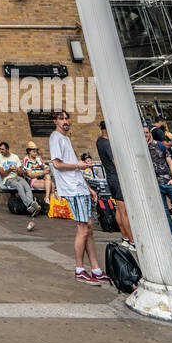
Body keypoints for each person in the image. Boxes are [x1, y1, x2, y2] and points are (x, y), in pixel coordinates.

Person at [49, 110, 110, 284]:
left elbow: (75, 168)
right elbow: (57, 164)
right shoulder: (56, 138)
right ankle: (79, 269)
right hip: (72, 189)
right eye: (61, 119)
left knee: (88, 227)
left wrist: (88, 187)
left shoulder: (65, 139)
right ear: (55, 121)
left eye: (67, 118)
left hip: (79, 187)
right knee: (83, 228)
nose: (65, 121)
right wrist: (79, 165)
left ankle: (96, 269)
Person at [95, 121, 135, 248]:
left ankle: (125, 238)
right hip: (118, 178)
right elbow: (117, 163)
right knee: (124, 211)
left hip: (110, 178)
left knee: (118, 208)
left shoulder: (99, 141)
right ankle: (133, 241)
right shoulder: (108, 144)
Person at [144, 126, 172, 248]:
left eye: (147, 132)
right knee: (165, 216)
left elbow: (170, 163)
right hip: (155, 186)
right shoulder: (140, 149)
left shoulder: (159, 145)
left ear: (150, 133)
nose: (145, 135)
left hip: (168, 182)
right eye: (143, 133)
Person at [0, 141, 38, 232]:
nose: (1, 151)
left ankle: (31, 206)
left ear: (7, 149)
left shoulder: (15, 157)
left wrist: (18, 170)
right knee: (18, 186)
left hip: (17, 177)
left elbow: (21, 173)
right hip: (8, 180)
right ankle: (30, 205)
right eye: (0, 149)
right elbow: (2, 174)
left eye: (2, 149)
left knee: (26, 185)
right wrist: (9, 170)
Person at [22, 142, 54, 207]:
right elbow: (30, 175)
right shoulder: (26, 160)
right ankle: (52, 207)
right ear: (29, 151)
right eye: (34, 151)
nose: (36, 153)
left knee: (48, 176)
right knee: (52, 186)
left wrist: (42, 163)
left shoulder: (38, 159)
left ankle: (47, 198)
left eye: (36, 151)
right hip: (33, 180)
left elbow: (48, 169)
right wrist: (43, 172)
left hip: (43, 178)